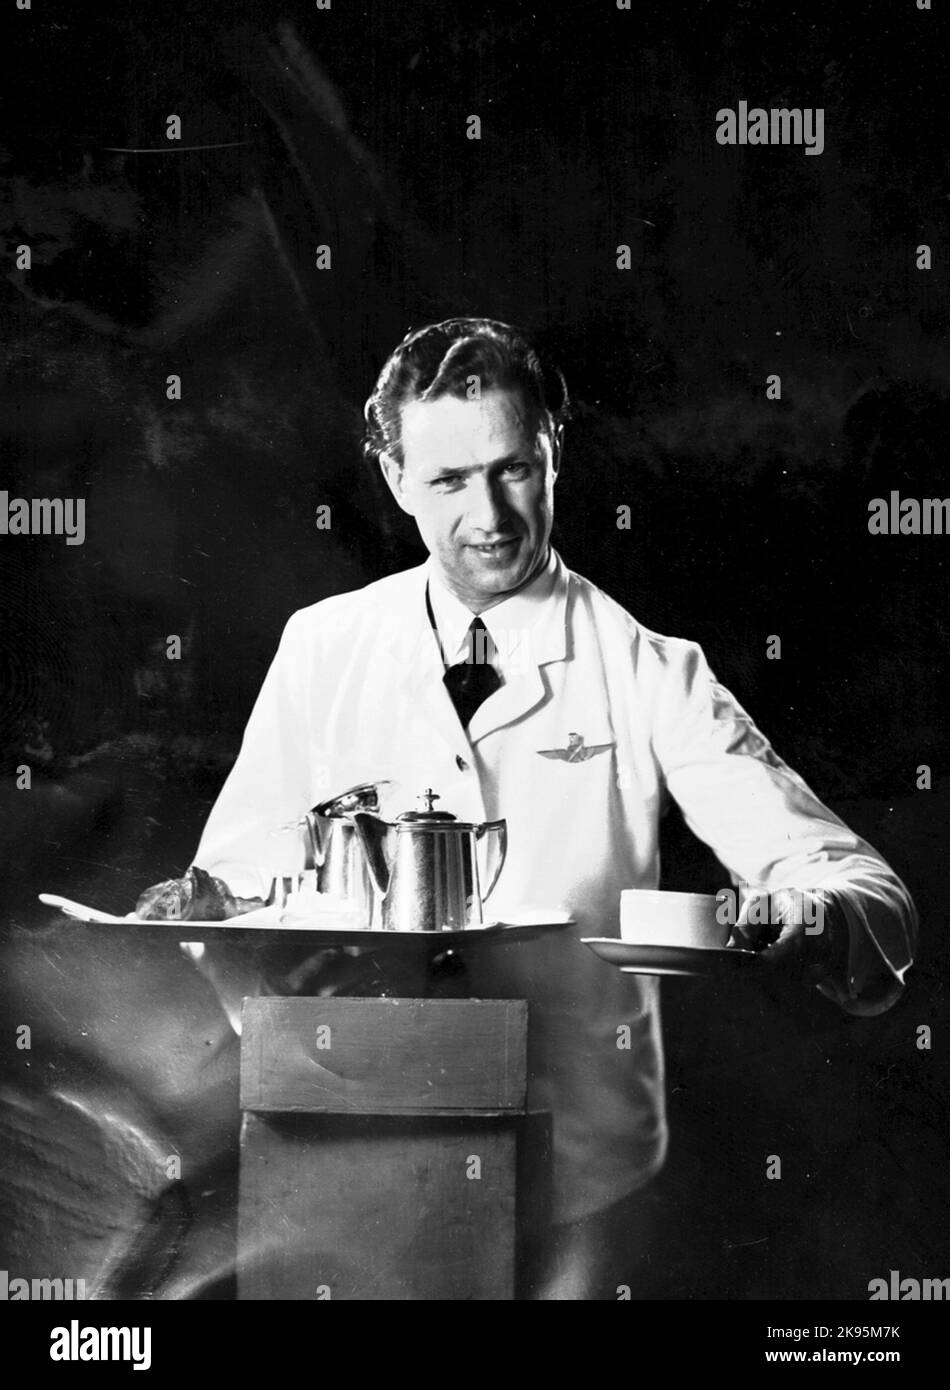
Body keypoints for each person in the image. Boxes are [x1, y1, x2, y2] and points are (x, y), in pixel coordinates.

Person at [189, 317, 917, 1298]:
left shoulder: (650, 670)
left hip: (584, 1192)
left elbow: (864, 889)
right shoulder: (321, 649)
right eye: (447, 481)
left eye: (512, 469)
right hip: (355, 1166)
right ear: (394, 476)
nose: (488, 513)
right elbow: (224, 891)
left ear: (554, 451)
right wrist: (247, 949)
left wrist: (811, 912)